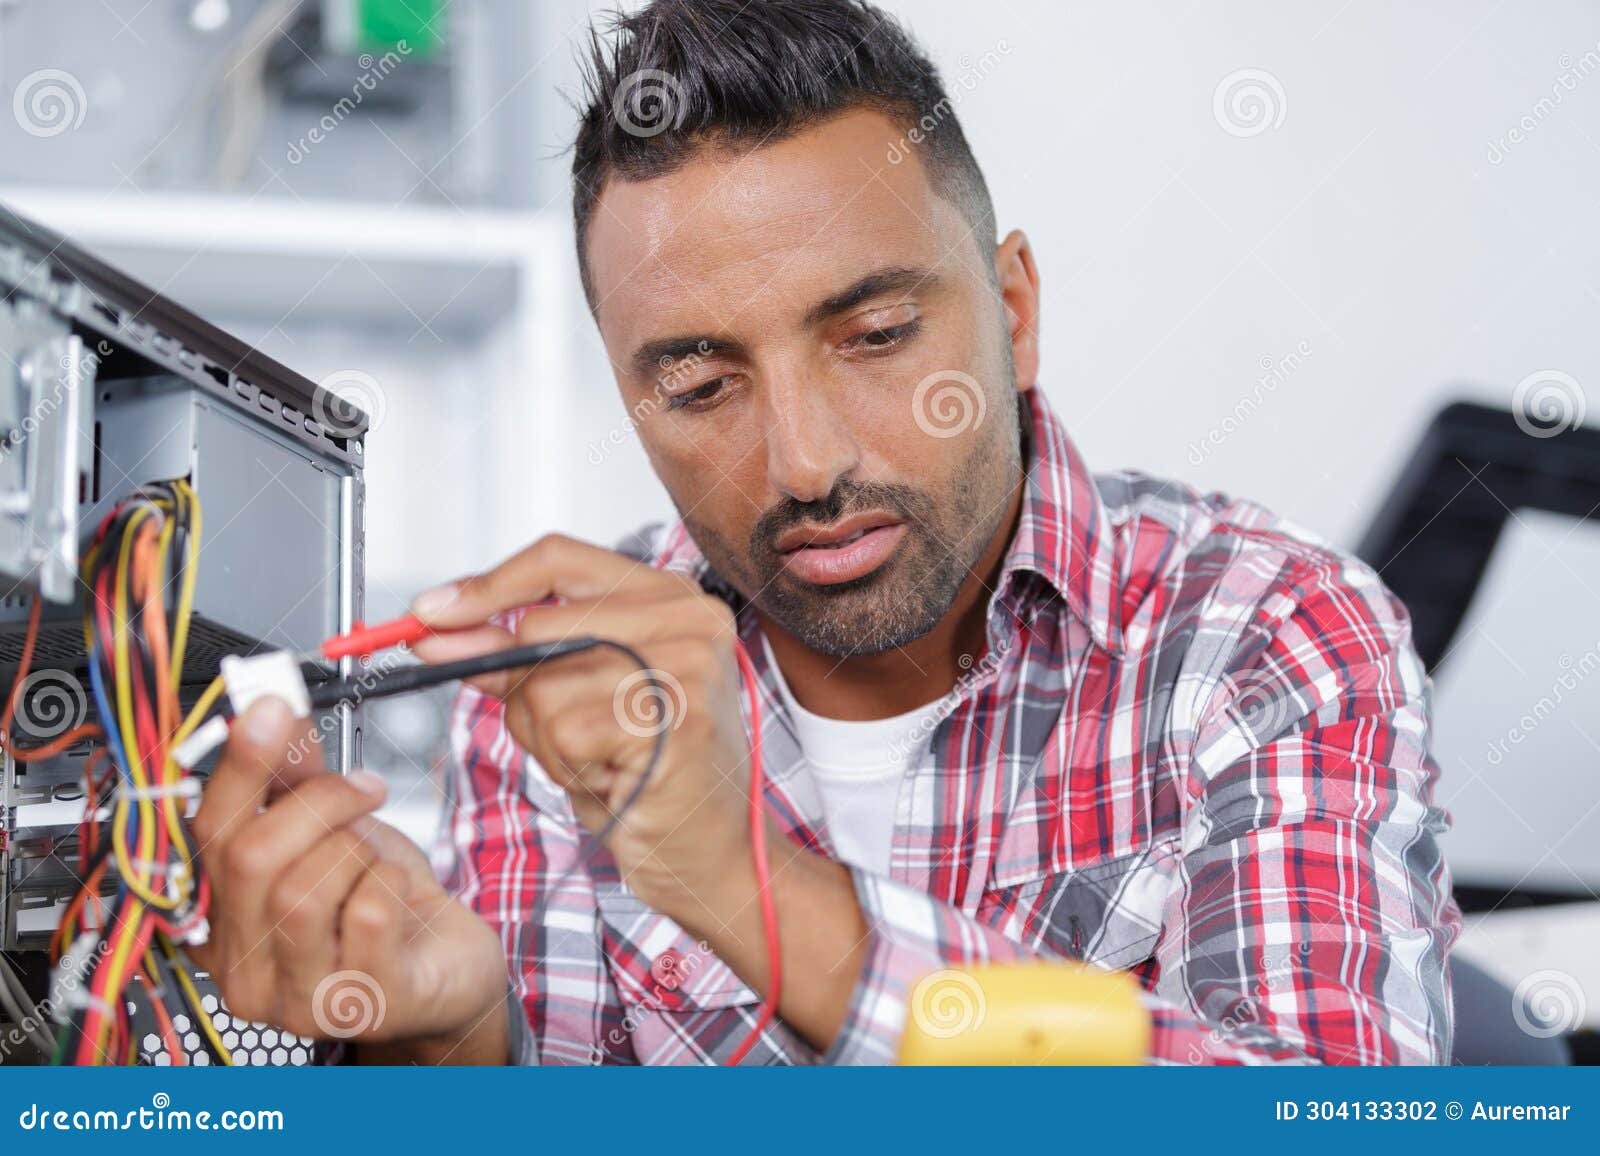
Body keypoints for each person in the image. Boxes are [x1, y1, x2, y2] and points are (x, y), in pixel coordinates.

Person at [191, 0, 1459, 1065]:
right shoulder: (546, 690)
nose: (806, 462)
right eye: (699, 386)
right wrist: (459, 1033)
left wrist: (746, 888)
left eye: (873, 336)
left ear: (1012, 309)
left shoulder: (1266, 631)